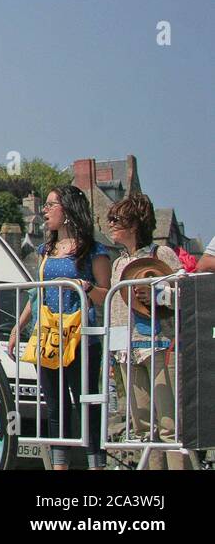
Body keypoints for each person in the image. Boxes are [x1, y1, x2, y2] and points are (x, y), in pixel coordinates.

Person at [7, 186, 110, 470]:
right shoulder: (46, 249)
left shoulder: (93, 249)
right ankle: (59, 466)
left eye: (51, 205)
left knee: (86, 402)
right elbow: (36, 293)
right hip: (48, 335)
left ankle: (96, 465)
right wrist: (19, 326)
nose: (45, 210)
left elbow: (107, 293)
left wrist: (87, 288)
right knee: (55, 406)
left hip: (80, 337)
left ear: (68, 210)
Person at [105, 194, 195, 470]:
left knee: (169, 425)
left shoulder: (160, 254)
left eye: (116, 221)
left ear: (134, 225)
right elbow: (114, 310)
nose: (110, 226)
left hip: (159, 344)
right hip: (126, 349)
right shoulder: (119, 263)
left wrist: (156, 293)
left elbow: (185, 294)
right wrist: (111, 354)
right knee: (143, 426)